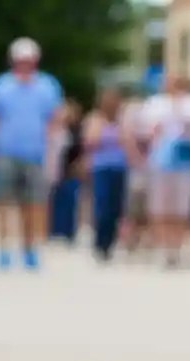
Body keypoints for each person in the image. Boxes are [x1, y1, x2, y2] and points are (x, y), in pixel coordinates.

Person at [0, 37, 63, 270]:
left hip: (35, 152)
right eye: (21, 60)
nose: (25, 64)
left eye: (28, 60)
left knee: (34, 203)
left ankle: (30, 247)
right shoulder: (1, 85)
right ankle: (4, 248)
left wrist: (51, 148)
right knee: (3, 201)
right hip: (5, 150)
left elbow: (55, 118)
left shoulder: (48, 86)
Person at [139, 75, 190, 268]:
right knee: (160, 207)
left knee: (182, 208)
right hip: (160, 162)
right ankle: (165, 247)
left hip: (184, 161)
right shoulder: (155, 104)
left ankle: (177, 246)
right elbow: (147, 131)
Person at [83, 87, 129, 261]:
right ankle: (100, 242)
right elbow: (90, 141)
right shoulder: (95, 119)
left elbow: (127, 141)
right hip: (101, 167)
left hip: (119, 167)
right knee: (102, 205)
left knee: (116, 207)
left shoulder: (122, 120)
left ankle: (111, 241)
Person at [47, 100, 85, 244]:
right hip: (56, 171)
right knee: (55, 201)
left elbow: (80, 150)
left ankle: (68, 232)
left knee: (70, 202)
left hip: (70, 170)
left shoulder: (76, 132)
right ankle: (54, 230)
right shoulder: (55, 131)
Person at [119, 95, 151, 255]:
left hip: (146, 170)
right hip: (134, 171)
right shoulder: (129, 132)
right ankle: (129, 239)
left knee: (143, 207)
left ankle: (139, 239)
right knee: (131, 208)